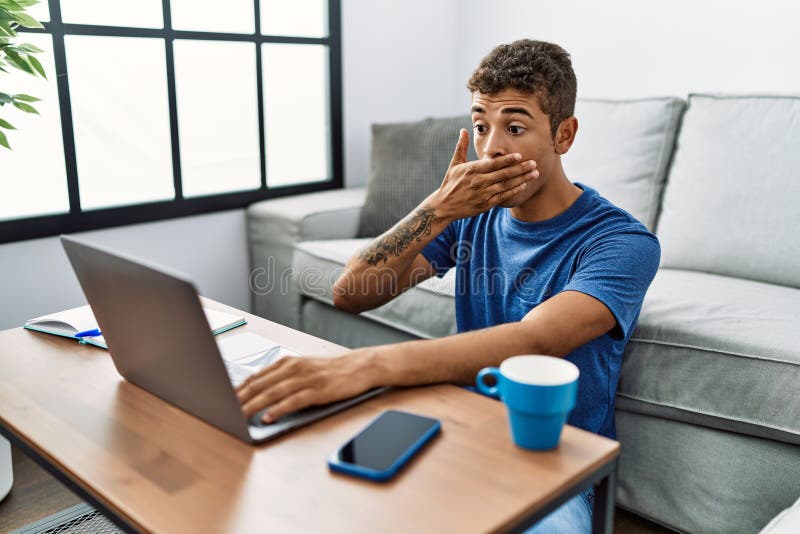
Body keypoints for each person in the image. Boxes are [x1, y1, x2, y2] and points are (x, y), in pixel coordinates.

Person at [237, 39, 660, 532]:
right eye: (481, 126)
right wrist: (436, 209)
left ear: (563, 135)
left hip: (556, 466)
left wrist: (367, 366)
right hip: (461, 436)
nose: (492, 147)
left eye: (515, 127)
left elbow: (534, 339)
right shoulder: (469, 219)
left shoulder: (622, 243)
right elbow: (351, 292)